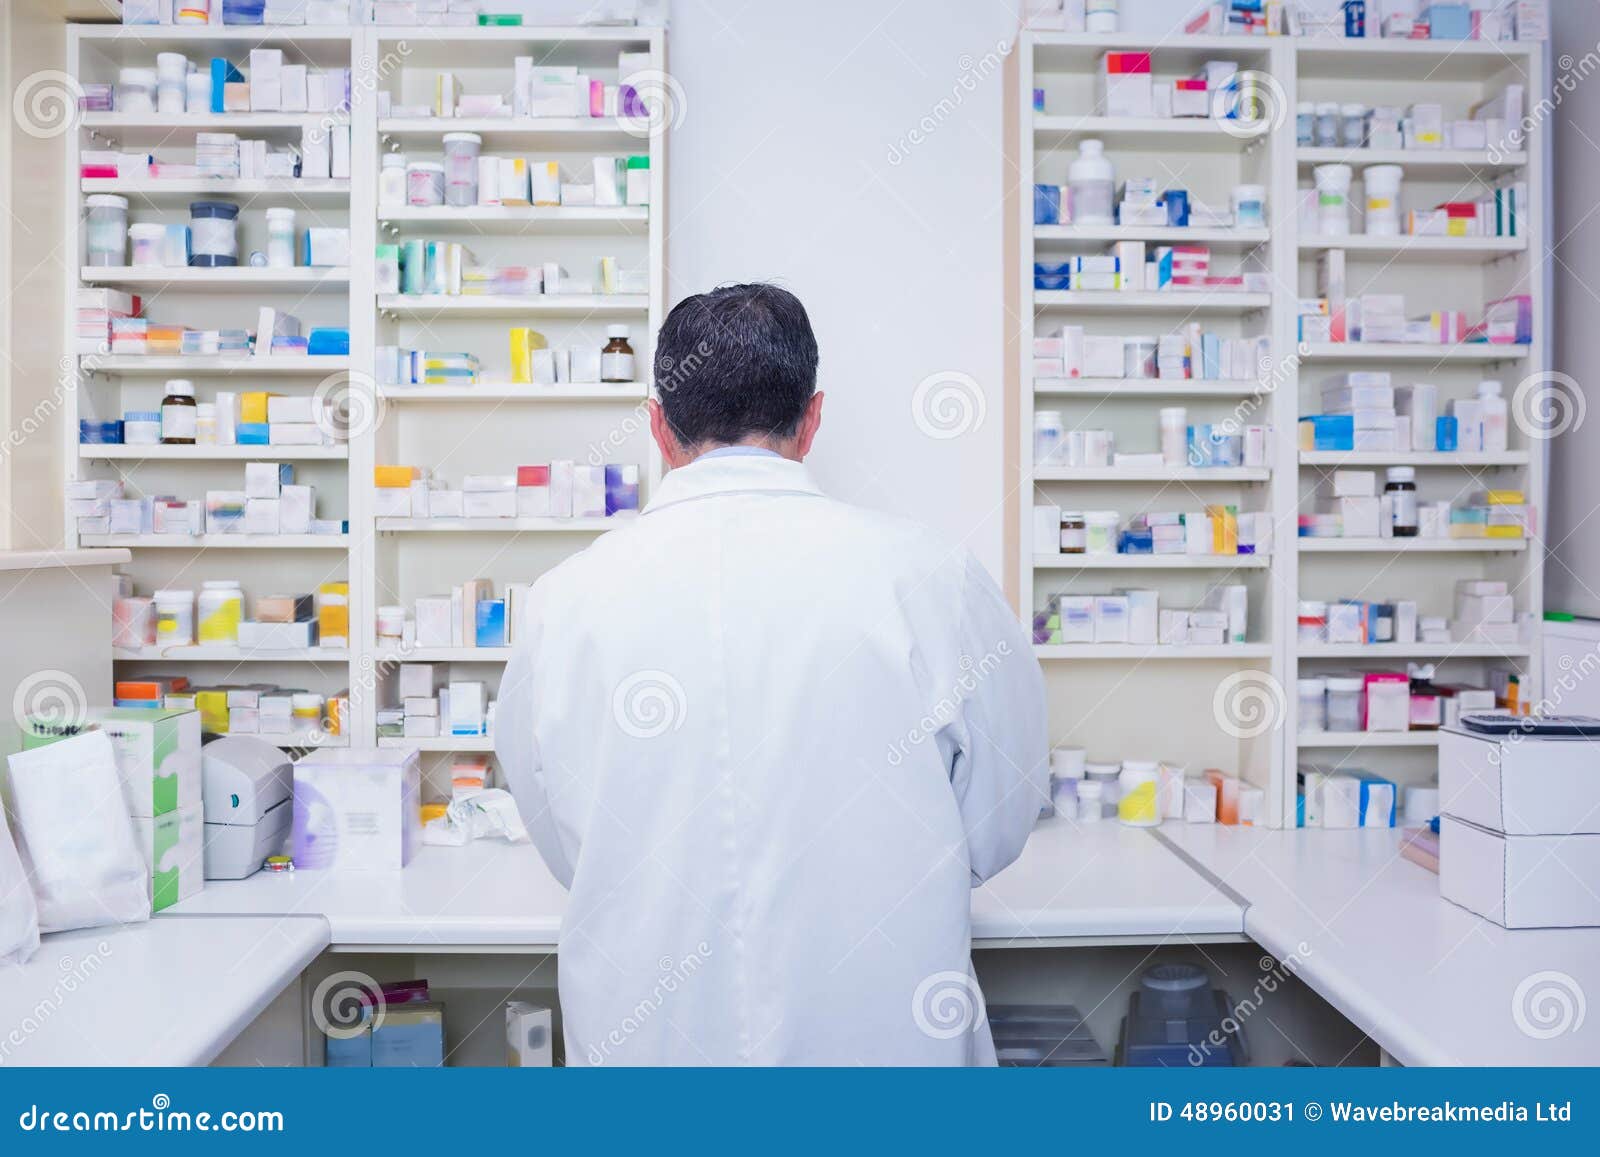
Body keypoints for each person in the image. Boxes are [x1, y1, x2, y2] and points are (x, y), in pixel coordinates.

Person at [495, 282, 1047, 1066]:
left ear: (657, 426)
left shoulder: (564, 601)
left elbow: (561, 840)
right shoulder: (930, 577)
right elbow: (999, 817)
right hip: (884, 1051)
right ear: (813, 419)